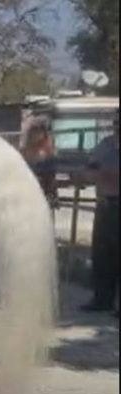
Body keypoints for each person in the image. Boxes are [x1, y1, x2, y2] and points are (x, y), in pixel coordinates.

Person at [81, 110, 118, 317]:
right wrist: (87, 175)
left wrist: (106, 173)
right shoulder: (105, 145)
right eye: (116, 122)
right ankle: (102, 299)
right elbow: (90, 168)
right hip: (105, 203)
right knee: (103, 255)